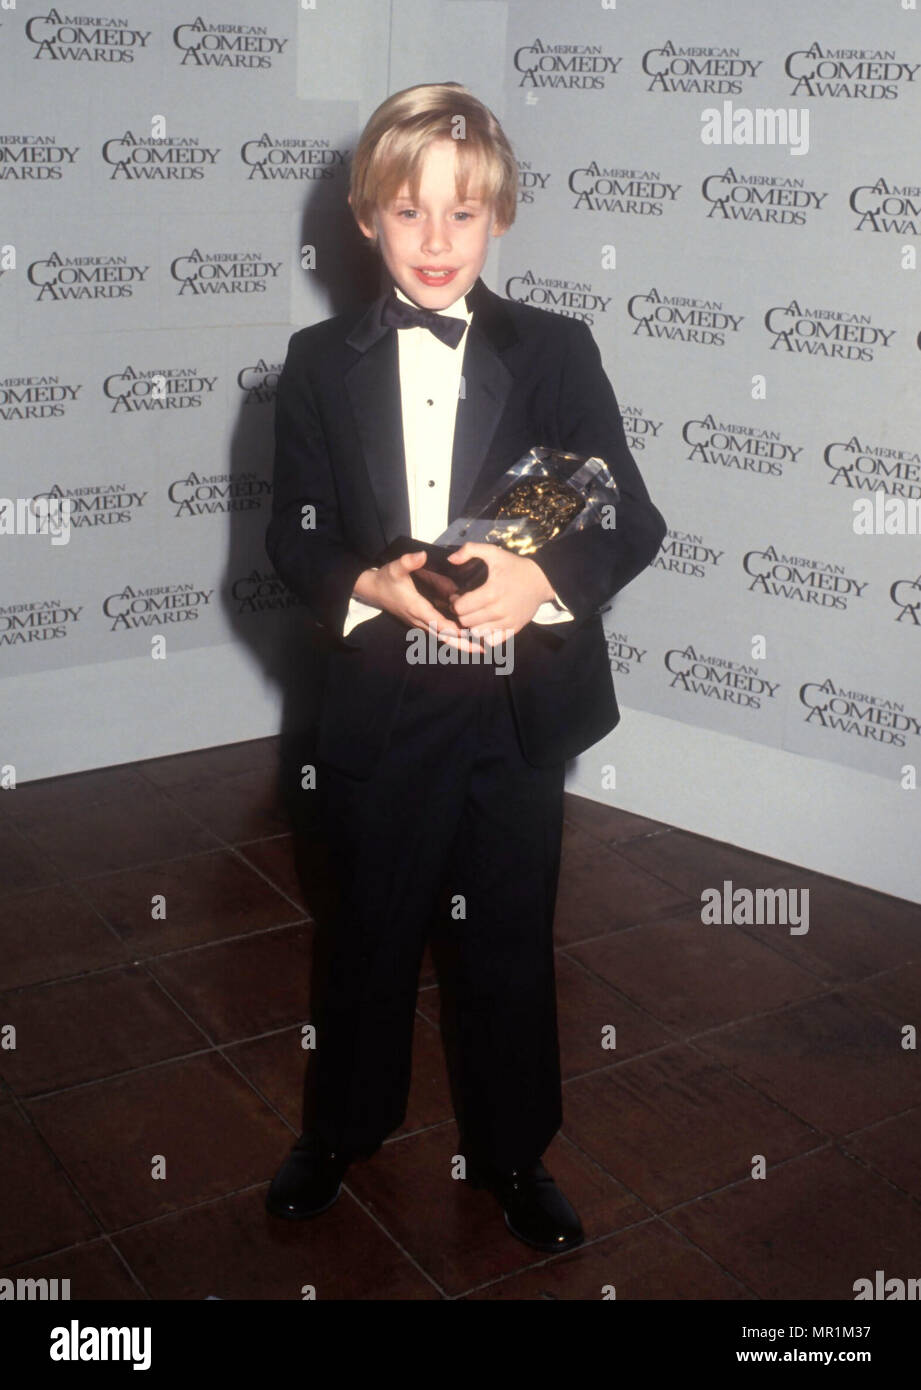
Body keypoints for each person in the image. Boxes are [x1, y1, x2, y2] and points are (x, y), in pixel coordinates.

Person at [264, 82, 667, 1253]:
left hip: (512, 705)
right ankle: (339, 1126)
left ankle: (512, 1151)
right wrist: (371, 582)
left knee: (505, 935)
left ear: (501, 218)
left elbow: (628, 518)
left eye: (462, 214)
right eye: (407, 213)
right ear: (362, 217)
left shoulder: (556, 349)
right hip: (382, 699)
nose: (435, 242)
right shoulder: (313, 360)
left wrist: (539, 586)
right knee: (368, 929)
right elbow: (293, 532)